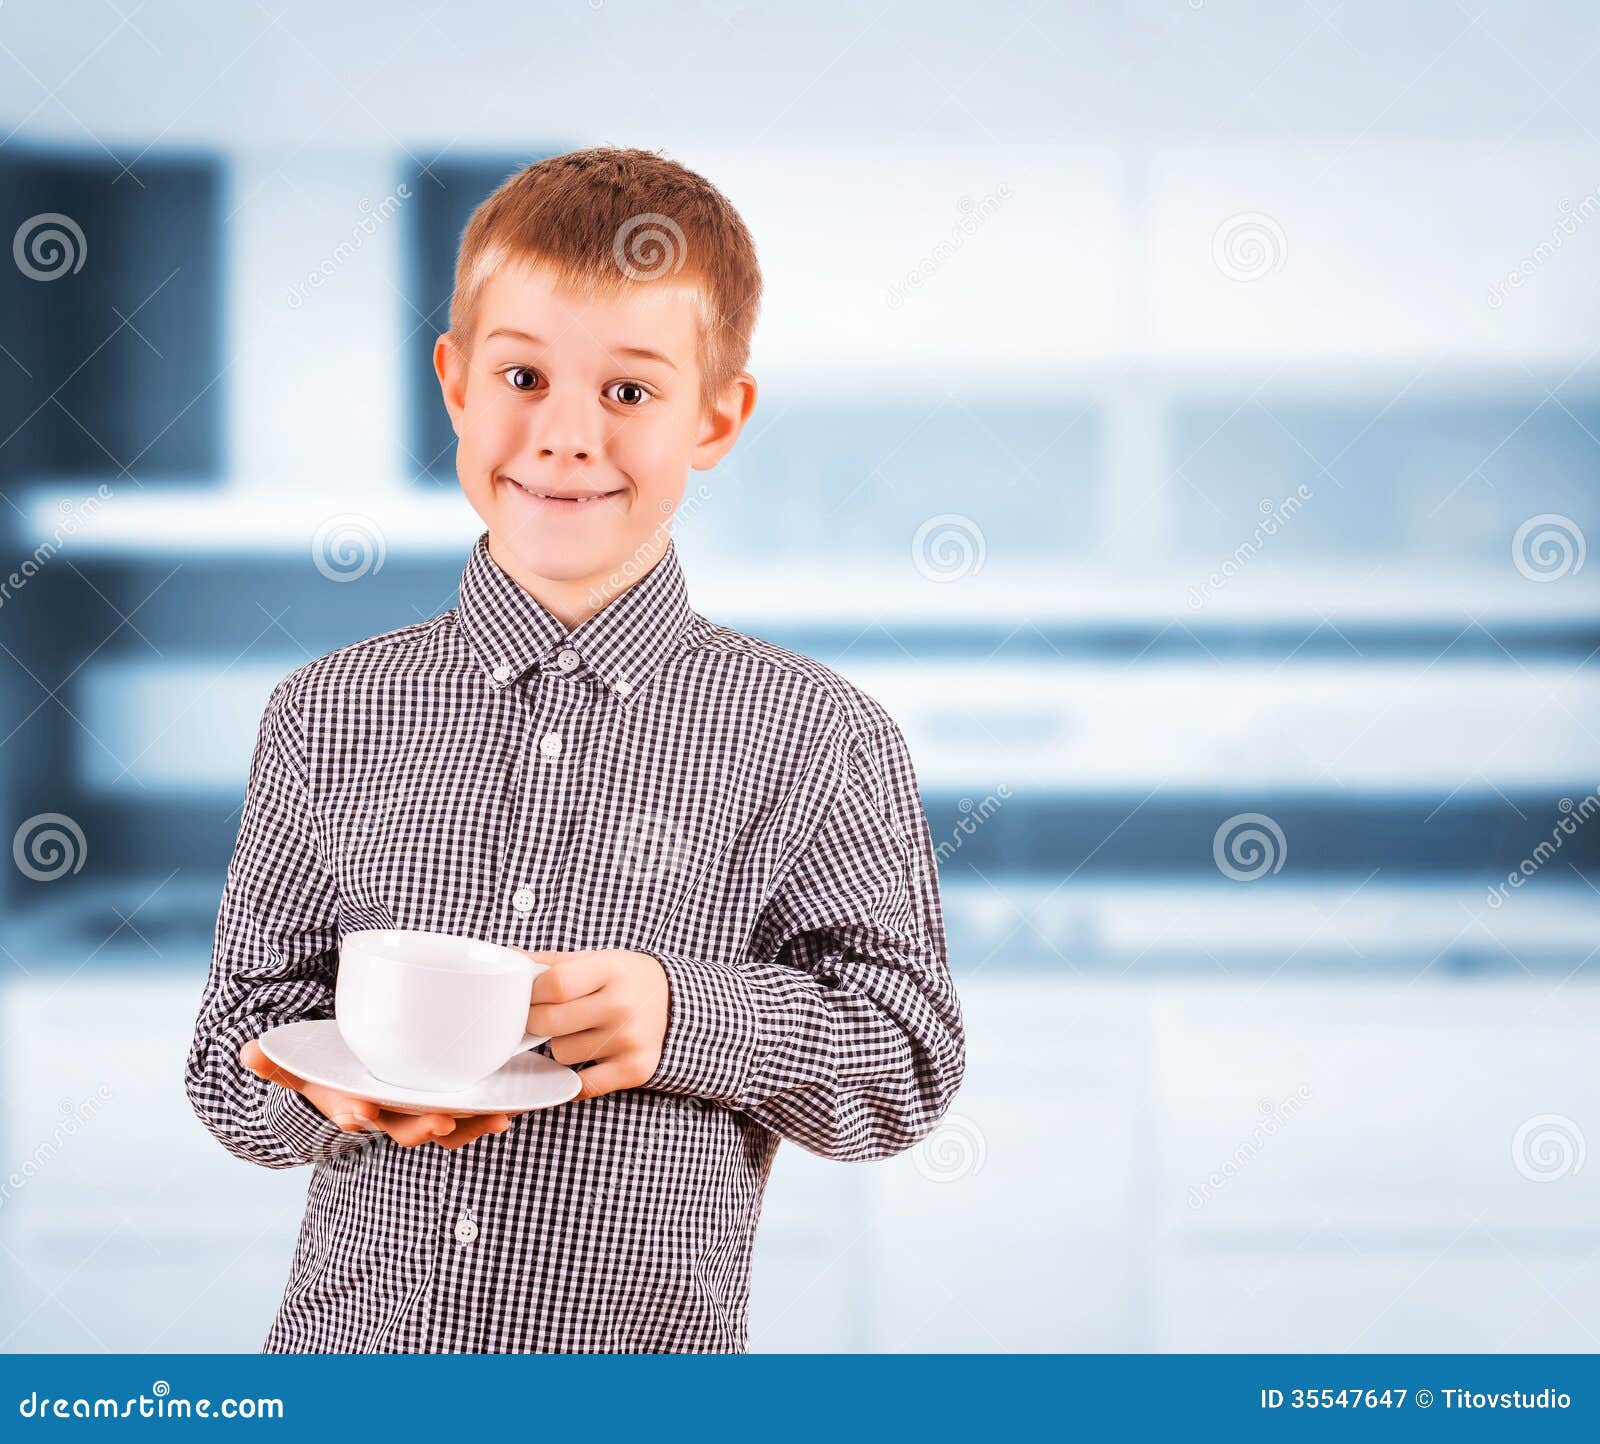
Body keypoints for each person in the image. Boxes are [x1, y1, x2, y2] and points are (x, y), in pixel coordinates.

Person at [184, 145, 965, 1353]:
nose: (562, 437)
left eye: (630, 392)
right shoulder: (324, 714)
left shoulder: (820, 736)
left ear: (718, 415)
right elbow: (230, 1050)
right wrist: (319, 1093)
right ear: (454, 384)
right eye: (523, 375)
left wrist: (684, 1014)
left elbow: (906, 1066)